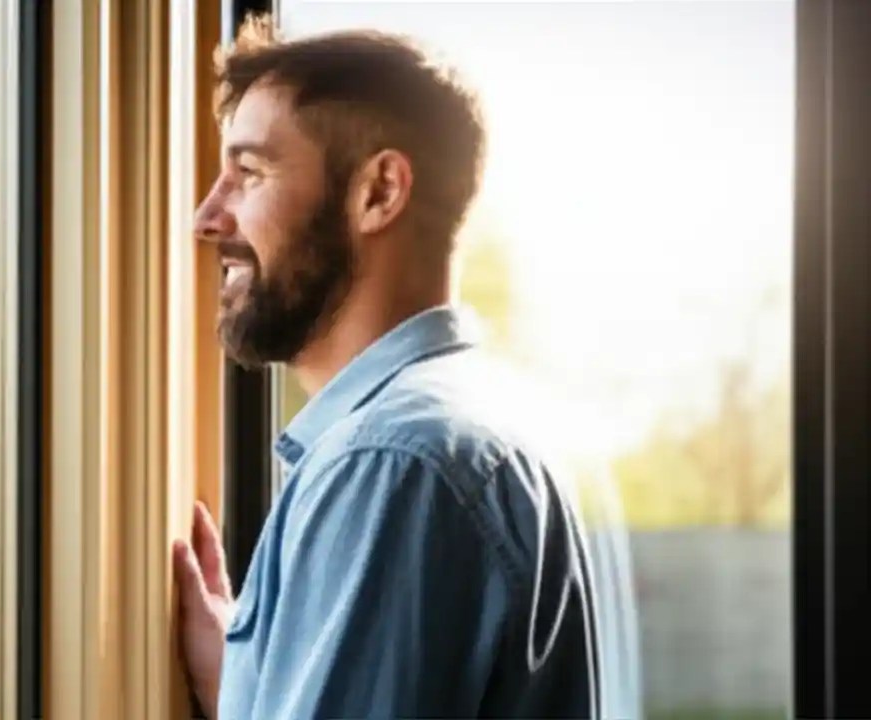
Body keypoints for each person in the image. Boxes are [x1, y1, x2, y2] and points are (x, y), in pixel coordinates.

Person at [173, 16, 602, 719]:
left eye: (248, 173)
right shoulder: (462, 428)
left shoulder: (393, 462)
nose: (207, 217)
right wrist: (253, 686)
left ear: (378, 192)